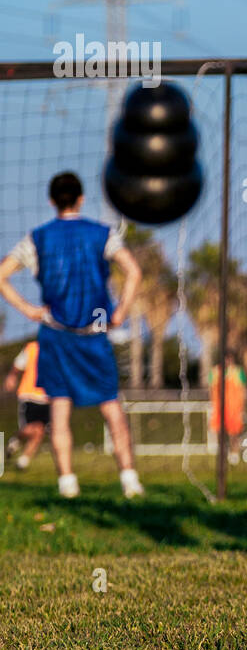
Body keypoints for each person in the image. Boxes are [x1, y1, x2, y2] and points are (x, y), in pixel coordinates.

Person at [0, 172, 145, 499]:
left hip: (55, 334)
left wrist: (28, 310)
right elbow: (134, 271)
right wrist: (120, 313)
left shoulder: (37, 238)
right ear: (80, 198)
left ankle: (68, 483)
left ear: (52, 201)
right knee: (111, 408)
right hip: (94, 333)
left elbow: (1, 275)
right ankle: (130, 479)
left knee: (60, 410)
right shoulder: (101, 234)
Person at [3, 340, 50, 472]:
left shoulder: (59, 348)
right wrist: (12, 377)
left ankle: (22, 463)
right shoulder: (32, 347)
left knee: (40, 431)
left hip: (48, 399)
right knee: (30, 428)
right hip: (29, 396)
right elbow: (18, 365)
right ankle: (14, 441)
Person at [209, 350, 247, 464]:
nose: (228, 361)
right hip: (219, 407)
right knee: (219, 431)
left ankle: (234, 453)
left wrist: (242, 407)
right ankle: (222, 452)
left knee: (234, 432)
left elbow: (243, 390)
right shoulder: (215, 371)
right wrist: (213, 404)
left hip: (234, 408)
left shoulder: (238, 372)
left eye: (230, 359)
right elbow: (211, 389)